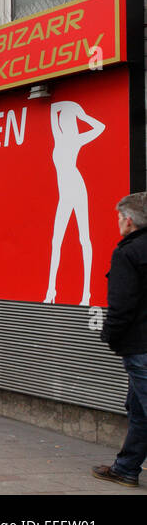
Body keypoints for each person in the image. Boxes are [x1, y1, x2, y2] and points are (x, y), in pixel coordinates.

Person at [93, 192, 147, 487]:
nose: (117, 222)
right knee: (138, 409)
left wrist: (111, 338)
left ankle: (126, 468)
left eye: (118, 217)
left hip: (140, 346)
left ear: (128, 221)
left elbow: (121, 306)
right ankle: (126, 468)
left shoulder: (127, 253)